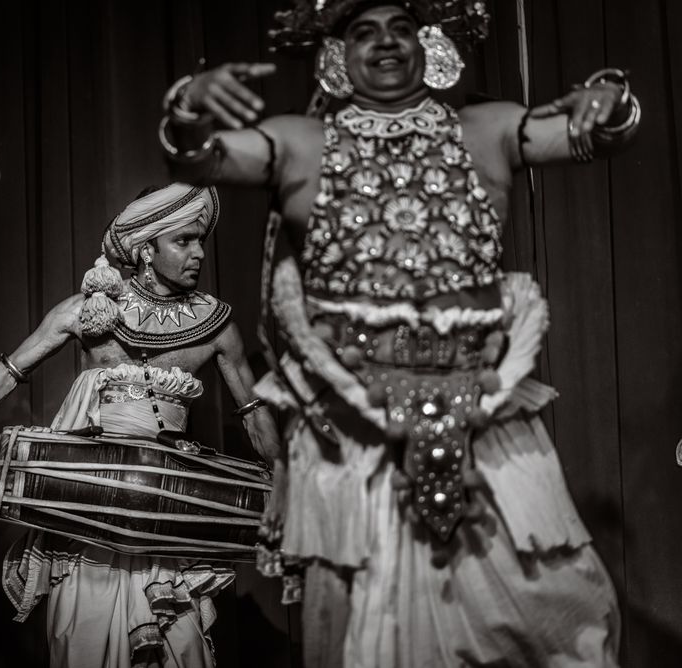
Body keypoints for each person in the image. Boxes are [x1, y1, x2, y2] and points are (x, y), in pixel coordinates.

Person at [159, 0, 637, 665]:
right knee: (369, 620)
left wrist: (608, 98)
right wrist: (189, 105)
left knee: (553, 613)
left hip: (482, 410)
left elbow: (594, 135)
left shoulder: (487, 128)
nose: (385, 41)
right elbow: (200, 160)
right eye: (363, 31)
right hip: (352, 425)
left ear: (429, 44)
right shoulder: (299, 141)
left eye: (401, 27)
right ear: (335, 55)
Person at [0, 183, 280, 668]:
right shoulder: (92, 310)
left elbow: (254, 412)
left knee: (175, 646)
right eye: (183, 241)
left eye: (200, 240)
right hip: (87, 516)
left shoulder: (216, 325)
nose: (199, 253)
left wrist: (288, 481)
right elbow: (14, 367)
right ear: (145, 249)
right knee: (87, 640)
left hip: (168, 519)